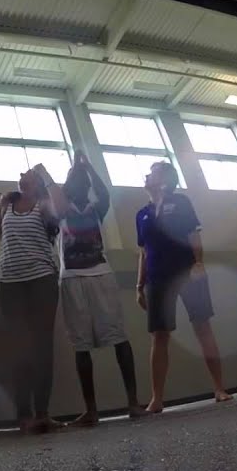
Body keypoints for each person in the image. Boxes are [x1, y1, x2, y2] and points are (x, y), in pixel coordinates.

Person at [136, 161, 233, 412]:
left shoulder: (181, 203)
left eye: (152, 172)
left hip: (187, 272)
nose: (146, 175)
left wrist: (199, 262)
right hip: (157, 279)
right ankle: (156, 399)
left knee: (203, 327)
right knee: (159, 336)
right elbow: (144, 252)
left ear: (164, 179)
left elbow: (193, 236)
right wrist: (139, 286)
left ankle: (219, 388)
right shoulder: (141, 214)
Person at [57, 152, 146, 425]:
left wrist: (88, 166)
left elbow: (104, 192)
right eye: (74, 182)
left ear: (88, 186)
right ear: (68, 187)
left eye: (83, 182)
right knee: (80, 344)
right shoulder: (61, 210)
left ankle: (133, 402)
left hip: (101, 275)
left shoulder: (97, 209)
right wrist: (74, 170)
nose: (79, 185)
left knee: (118, 336)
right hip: (71, 278)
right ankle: (91, 409)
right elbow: (57, 195)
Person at [0, 163, 66, 433]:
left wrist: (46, 174)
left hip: (41, 279)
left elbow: (62, 209)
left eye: (26, 174)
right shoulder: (8, 204)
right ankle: (24, 414)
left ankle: (42, 413)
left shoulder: (43, 205)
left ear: (37, 181)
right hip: (9, 283)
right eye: (19, 175)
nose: (20, 177)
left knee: (42, 347)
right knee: (20, 347)